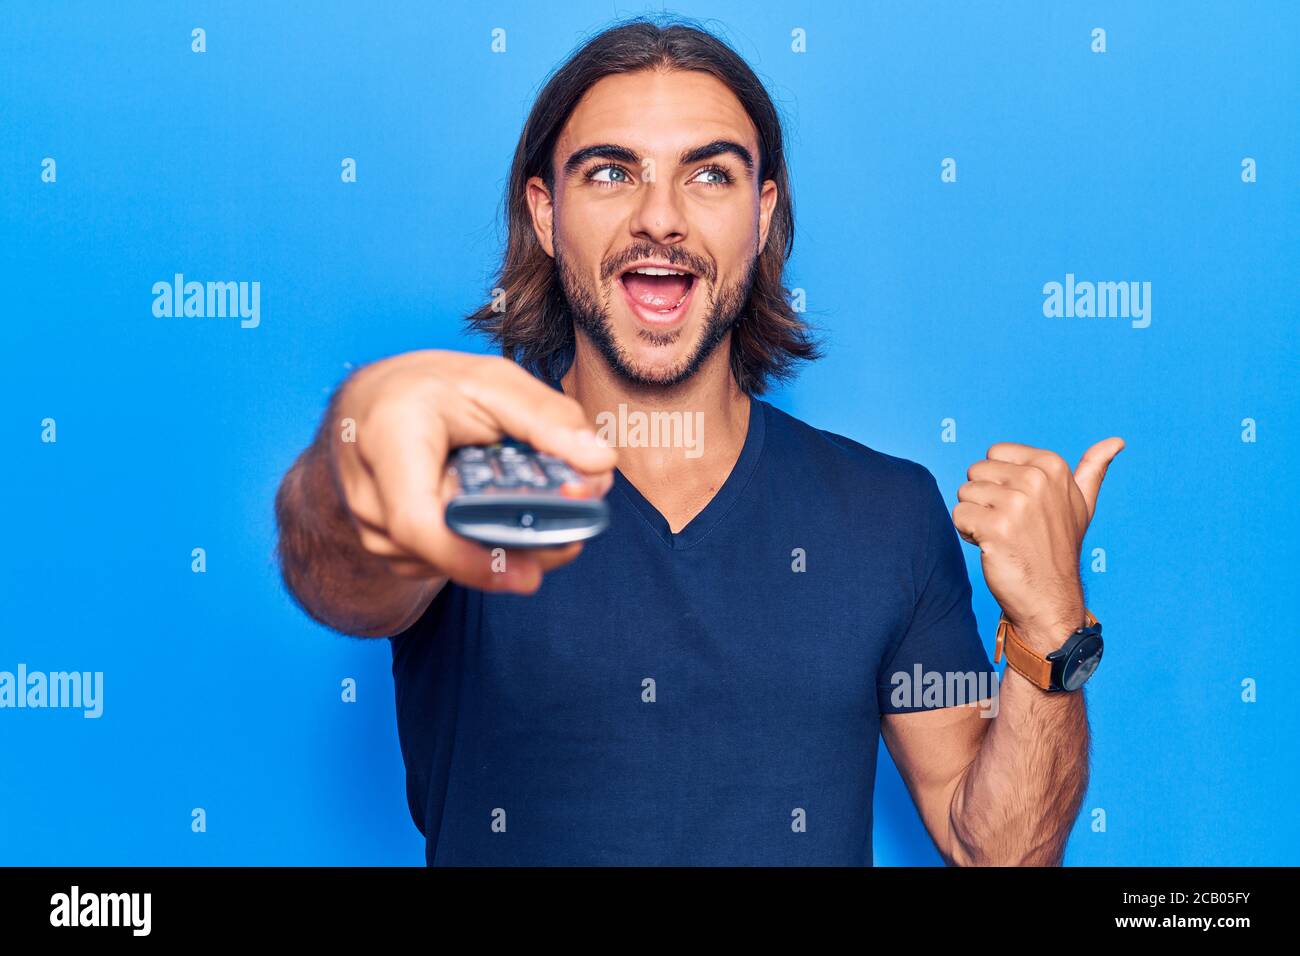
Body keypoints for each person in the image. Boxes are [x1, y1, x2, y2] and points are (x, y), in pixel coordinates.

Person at [274, 17, 1123, 866]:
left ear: (761, 215)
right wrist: (352, 461)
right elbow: (339, 573)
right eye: (611, 172)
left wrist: (1052, 624)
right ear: (545, 211)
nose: (661, 218)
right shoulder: (472, 484)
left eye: (709, 175)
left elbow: (998, 853)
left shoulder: (888, 512)